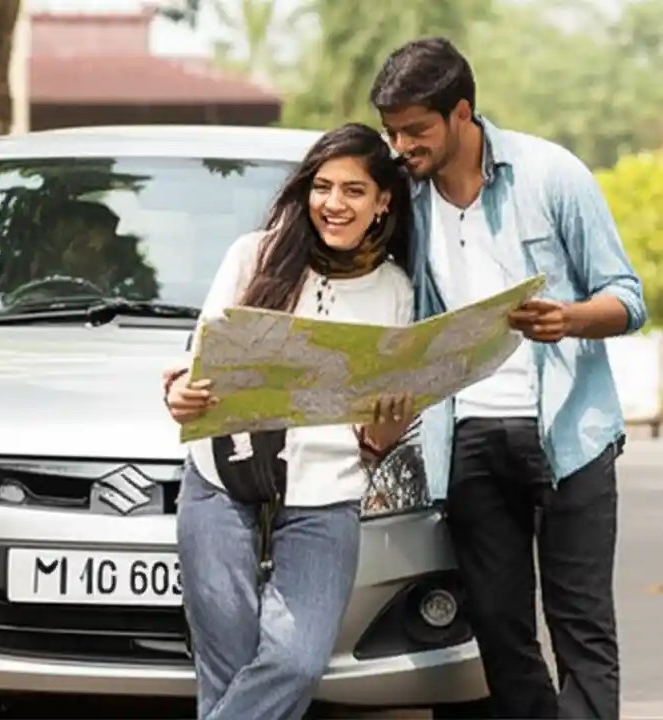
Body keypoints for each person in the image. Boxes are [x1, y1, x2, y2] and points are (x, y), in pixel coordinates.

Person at [368, 37, 648, 719]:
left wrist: (571, 318)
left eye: (416, 131)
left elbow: (629, 298)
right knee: (496, 627)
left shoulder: (552, 175)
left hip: (567, 435)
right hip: (465, 434)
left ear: (462, 113)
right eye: (392, 131)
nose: (402, 146)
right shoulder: (407, 198)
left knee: (580, 627)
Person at [161, 123, 418, 720]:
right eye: (323, 186)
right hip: (221, 479)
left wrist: (386, 430)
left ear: (383, 202)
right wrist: (180, 393)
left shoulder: (393, 291)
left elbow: (374, 439)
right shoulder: (253, 255)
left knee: (297, 663)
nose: (334, 203)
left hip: (325, 496)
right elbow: (197, 360)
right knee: (227, 667)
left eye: (354, 190)